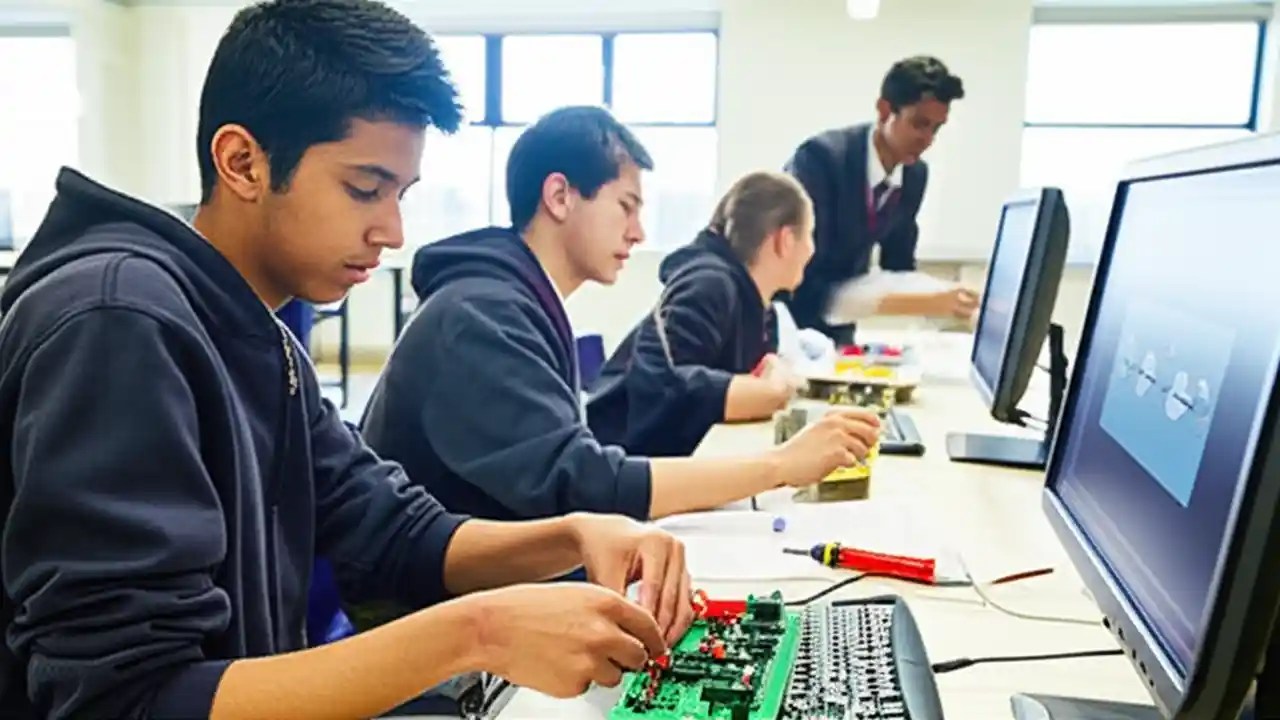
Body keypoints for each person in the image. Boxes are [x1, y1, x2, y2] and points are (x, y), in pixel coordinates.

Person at [0, 3, 696, 718]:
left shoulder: (253, 329)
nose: (391, 231)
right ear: (242, 161)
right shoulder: (119, 324)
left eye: (401, 194)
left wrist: (578, 532)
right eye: (364, 189)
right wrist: (479, 631)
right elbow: (127, 699)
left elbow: (395, 529)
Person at [360, 107, 880, 527]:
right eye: (626, 206)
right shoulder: (482, 314)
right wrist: (781, 466)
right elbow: (581, 485)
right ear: (560, 196)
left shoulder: (515, 301)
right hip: (425, 609)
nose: (638, 233)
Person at [586, 171, 815, 458]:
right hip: (616, 468)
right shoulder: (710, 284)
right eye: (810, 236)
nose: (812, 249)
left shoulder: (759, 307)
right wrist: (766, 391)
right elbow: (664, 384)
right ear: (786, 240)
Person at [783, 55, 976, 345]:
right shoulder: (821, 160)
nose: (928, 139)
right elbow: (803, 283)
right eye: (919, 124)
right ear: (885, 110)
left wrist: (953, 301)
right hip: (790, 323)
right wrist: (926, 302)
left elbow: (898, 268)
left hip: (841, 329)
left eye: (936, 128)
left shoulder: (914, 175)